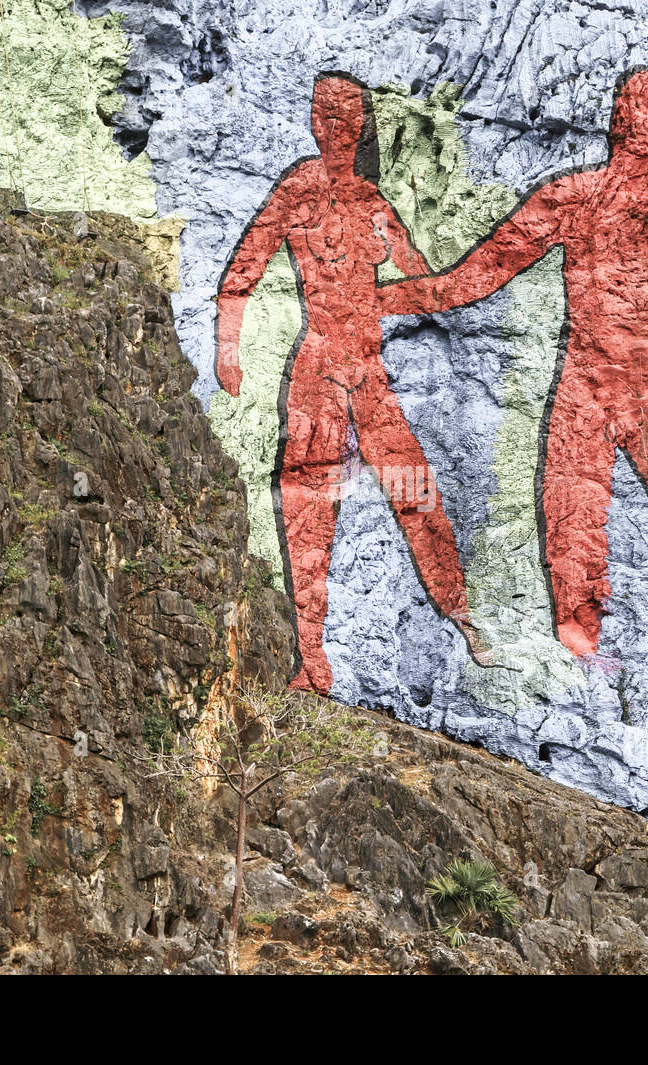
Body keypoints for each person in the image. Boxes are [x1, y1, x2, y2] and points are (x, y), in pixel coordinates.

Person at [378, 67, 648, 744]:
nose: (643, 116)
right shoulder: (572, 198)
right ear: (616, 118)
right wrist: (387, 299)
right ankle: (579, 691)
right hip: (586, 388)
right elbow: (472, 278)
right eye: (633, 104)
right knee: (572, 553)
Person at [216, 71, 490, 695]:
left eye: (348, 117)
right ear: (314, 122)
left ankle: (462, 615)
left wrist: (388, 295)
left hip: (369, 371)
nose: (337, 128)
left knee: (415, 486)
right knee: (309, 502)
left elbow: (424, 282)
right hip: (317, 369)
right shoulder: (297, 190)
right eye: (326, 115)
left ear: (361, 126)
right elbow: (243, 270)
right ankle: (308, 653)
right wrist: (229, 348)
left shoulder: (373, 204)